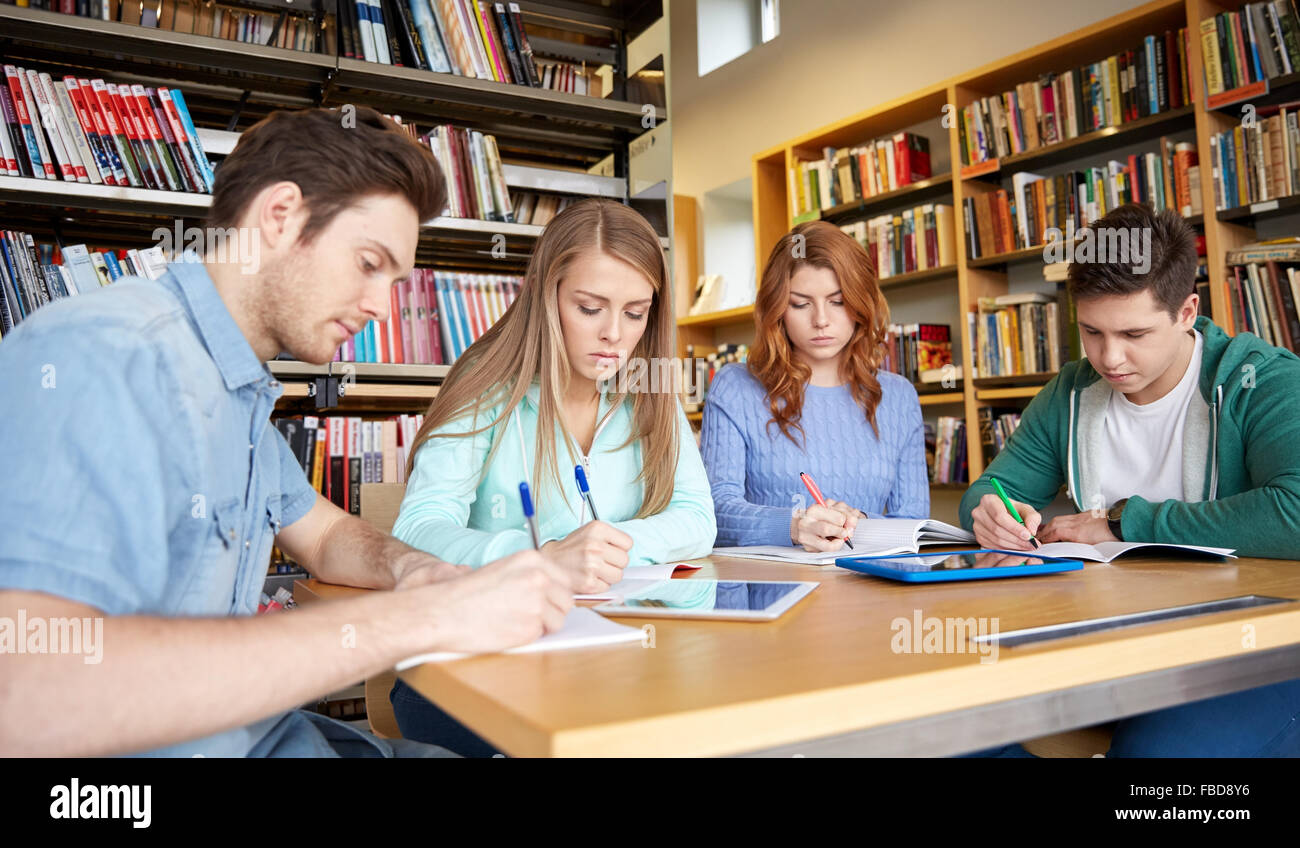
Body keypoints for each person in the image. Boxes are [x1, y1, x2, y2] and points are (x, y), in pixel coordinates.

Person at [0, 106, 573, 757]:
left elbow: (327, 535)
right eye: (367, 262)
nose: (382, 307)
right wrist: (423, 619)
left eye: (395, 280)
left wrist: (416, 571)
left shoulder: (236, 388)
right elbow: (30, 690)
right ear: (279, 217)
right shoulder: (105, 358)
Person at [961, 203, 1300, 757]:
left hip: (1259, 652)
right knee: (946, 726)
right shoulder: (1070, 392)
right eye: (1091, 331)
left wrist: (1121, 522)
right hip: (1109, 640)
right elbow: (990, 491)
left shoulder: (1262, 380)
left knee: (1155, 765)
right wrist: (993, 513)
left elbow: (1296, 514)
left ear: (1188, 311)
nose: (1109, 358)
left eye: (1134, 333)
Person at [388, 198, 717, 753]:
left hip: (617, 656)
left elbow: (696, 518)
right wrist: (543, 558)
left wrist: (608, 550)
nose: (615, 334)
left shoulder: (651, 391)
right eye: (590, 307)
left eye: (635, 313)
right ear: (547, 296)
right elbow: (417, 529)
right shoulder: (486, 383)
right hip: (473, 667)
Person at [700, 220, 929, 553]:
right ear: (777, 308)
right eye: (800, 303)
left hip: (871, 594)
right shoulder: (735, 387)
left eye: (837, 301)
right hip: (769, 597)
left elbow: (913, 522)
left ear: (860, 304)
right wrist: (794, 527)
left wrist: (859, 523)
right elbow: (714, 512)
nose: (821, 319)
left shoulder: (898, 396)